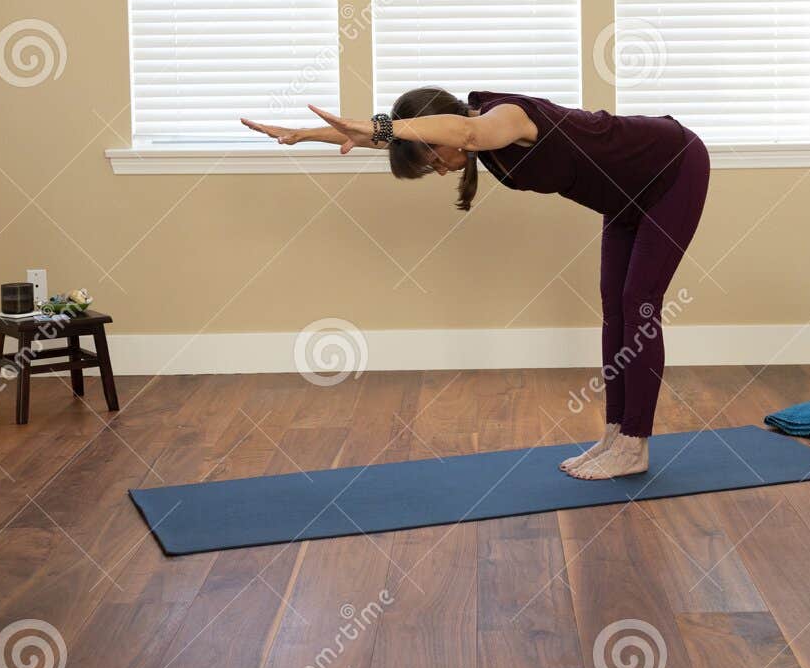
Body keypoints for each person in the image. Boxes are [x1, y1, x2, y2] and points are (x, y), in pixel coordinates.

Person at [242, 87, 711, 480]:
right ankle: (616, 431)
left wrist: (381, 126)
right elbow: (399, 138)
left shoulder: (502, 118)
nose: (441, 170)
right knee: (615, 305)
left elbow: (462, 133)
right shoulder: (468, 137)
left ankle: (635, 444)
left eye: (434, 160)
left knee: (639, 302)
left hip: (672, 167)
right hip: (627, 193)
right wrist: (305, 134)